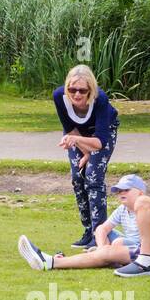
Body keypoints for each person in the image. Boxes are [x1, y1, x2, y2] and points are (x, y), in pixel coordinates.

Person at [17, 174, 150, 272]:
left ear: (140, 191)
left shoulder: (144, 202)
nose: (121, 194)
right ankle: (50, 262)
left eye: (126, 190)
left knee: (121, 237)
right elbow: (102, 229)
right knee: (109, 252)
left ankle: (146, 259)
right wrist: (103, 247)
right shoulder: (122, 210)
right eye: (118, 191)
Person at [53, 64, 119, 249]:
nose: (77, 95)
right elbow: (69, 126)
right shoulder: (59, 96)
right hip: (76, 133)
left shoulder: (100, 99)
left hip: (102, 134)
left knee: (93, 178)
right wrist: (85, 152)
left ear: (90, 89)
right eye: (72, 90)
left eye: (82, 90)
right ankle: (88, 230)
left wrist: (86, 149)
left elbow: (100, 142)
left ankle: (99, 233)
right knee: (77, 177)